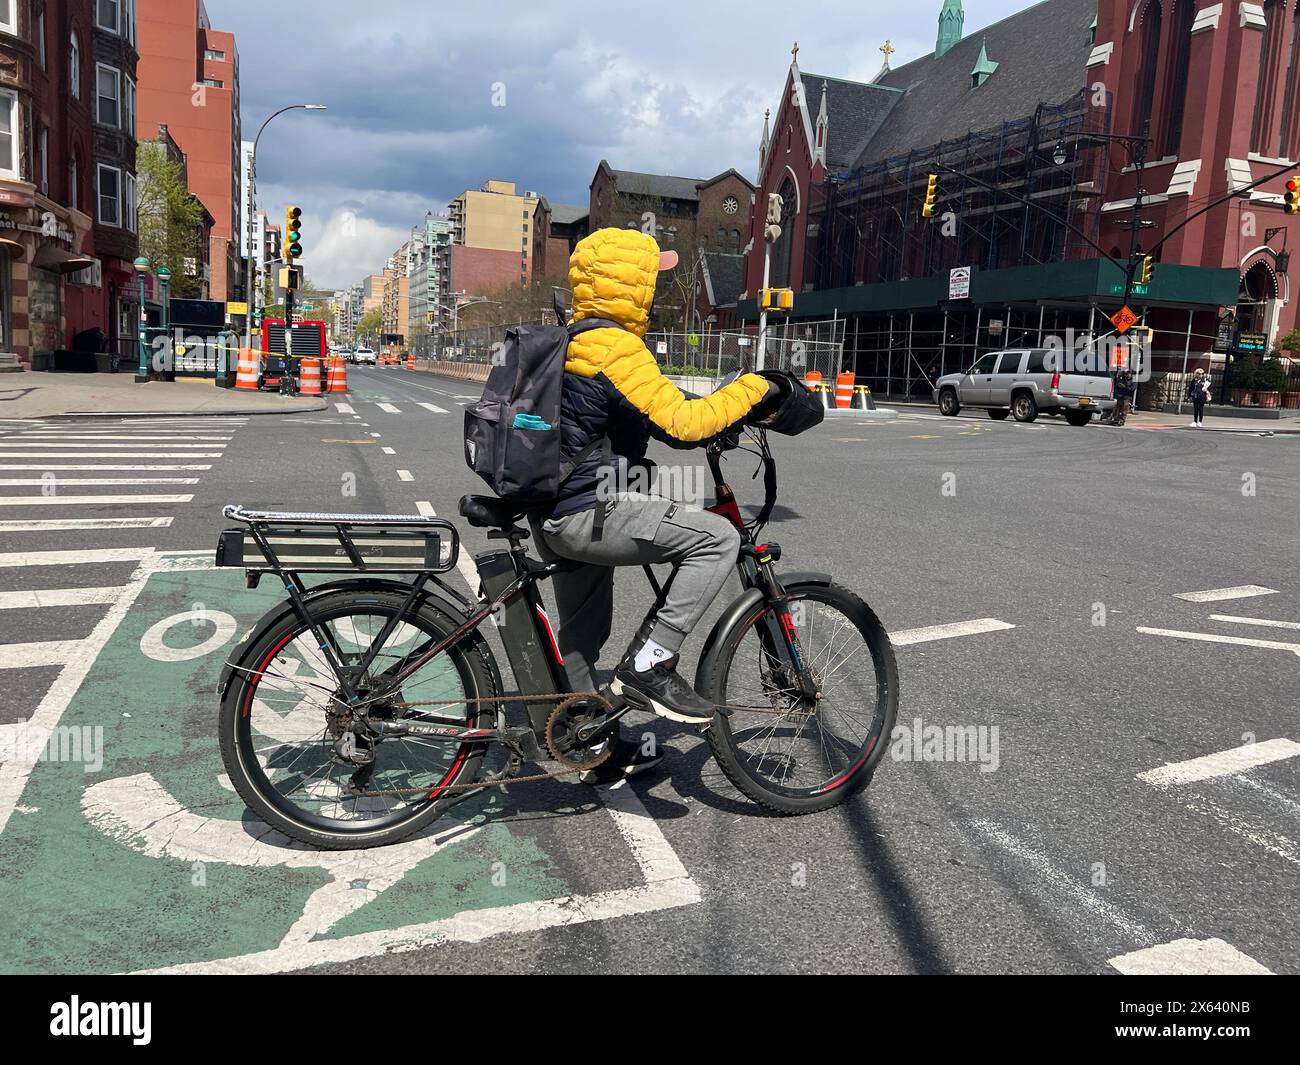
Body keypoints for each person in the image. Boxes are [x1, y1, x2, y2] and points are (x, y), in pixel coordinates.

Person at [535, 228, 779, 781]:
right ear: (633, 285)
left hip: (556, 511)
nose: (657, 291)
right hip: (587, 512)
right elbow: (684, 426)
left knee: (582, 634)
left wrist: (716, 405)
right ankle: (652, 662)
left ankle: (588, 742)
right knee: (717, 538)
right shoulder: (617, 346)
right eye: (653, 280)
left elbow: (653, 403)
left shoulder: (579, 336)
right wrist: (755, 390)